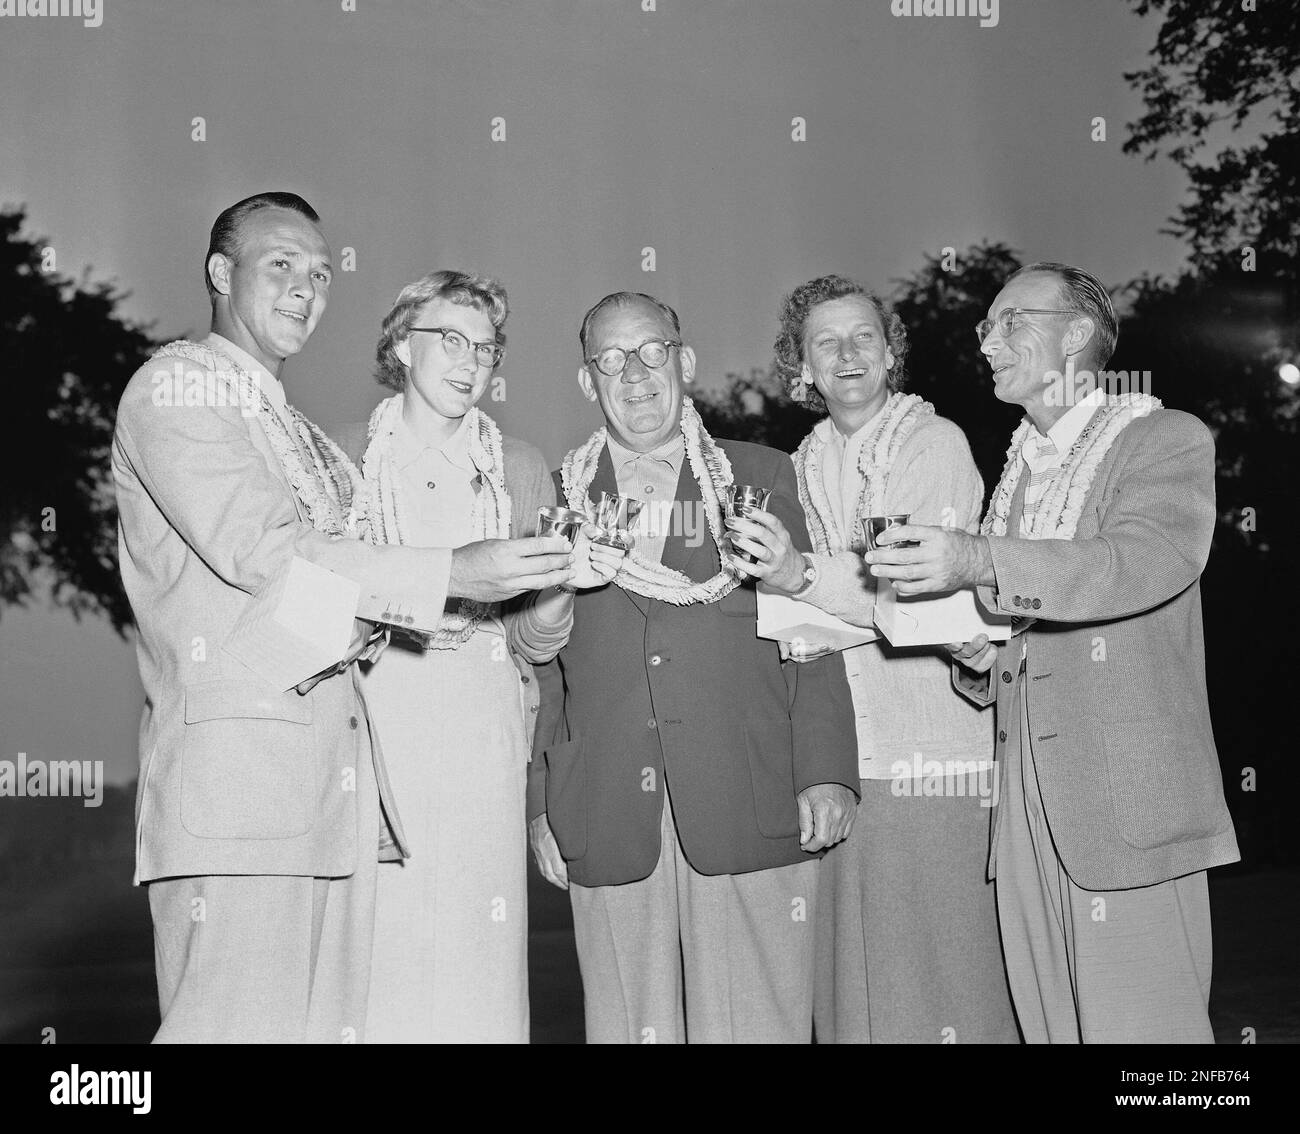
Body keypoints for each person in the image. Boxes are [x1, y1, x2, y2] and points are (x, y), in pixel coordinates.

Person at [112, 192, 575, 1043]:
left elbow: (321, 596)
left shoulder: (302, 438)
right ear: (221, 273)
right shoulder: (176, 387)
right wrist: (454, 573)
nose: (304, 287)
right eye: (279, 264)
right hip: (241, 794)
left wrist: (479, 608)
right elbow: (269, 555)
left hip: (330, 798)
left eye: (320, 273)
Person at [866, 261, 1240, 1043]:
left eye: (1012, 322)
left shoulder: (1162, 438)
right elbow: (1032, 625)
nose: (989, 342)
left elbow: (1135, 564)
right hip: (1028, 815)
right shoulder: (1018, 472)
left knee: (1151, 1047)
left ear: (1077, 335)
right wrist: (978, 649)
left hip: (1125, 807)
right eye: (985, 327)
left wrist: (977, 561)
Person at [527, 291, 859, 1044]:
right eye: (611, 360)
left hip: (752, 788)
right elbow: (540, 669)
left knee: (759, 1026)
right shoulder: (556, 497)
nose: (635, 375)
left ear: (685, 362)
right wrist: (540, 801)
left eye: (652, 352)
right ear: (587, 382)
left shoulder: (764, 474)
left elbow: (806, 624)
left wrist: (828, 769)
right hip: (604, 803)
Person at [332, 270, 622, 1042]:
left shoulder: (521, 466)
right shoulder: (342, 461)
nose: (471, 363)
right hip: (377, 723)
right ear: (399, 344)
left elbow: (532, 640)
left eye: (486, 348)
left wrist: (566, 583)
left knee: (477, 960)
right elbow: (310, 605)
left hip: (483, 728)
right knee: (378, 960)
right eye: (449, 340)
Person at [729, 274, 1018, 1043]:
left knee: (948, 980)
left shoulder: (933, 442)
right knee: (855, 986)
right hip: (845, 753)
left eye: (864, 336)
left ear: (891, 354)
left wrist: (798, 579)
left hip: (933, 750)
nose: (848, 353)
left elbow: (914, 595)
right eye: (826, 342)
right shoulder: (801, 460)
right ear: (803, 369)